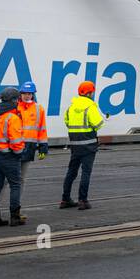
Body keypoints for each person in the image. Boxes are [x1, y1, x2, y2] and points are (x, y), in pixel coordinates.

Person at [61, 80, 104, 210]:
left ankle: (65, 199)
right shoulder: (91, 107)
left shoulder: (71, 107)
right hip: (89, 145)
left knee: (71, 172)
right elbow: (98, 124)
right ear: (90, 93)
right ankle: (82, 200)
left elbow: (67, 122)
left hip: (75, 145)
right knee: (86, 172)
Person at [0, 87, 26, 227]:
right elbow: (16, 141)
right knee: (16, 185)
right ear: (14, 101)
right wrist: (19, 153)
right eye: (18, 99)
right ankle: (15, 217)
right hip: (9, 157)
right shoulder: (12, 118)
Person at [16, 80, 48, 199]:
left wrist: (43, 147)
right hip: (15, 147)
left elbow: (42, 129)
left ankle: (16, 205)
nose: (27, 95)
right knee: (10, 178)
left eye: (29, 93)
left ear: (33, 94)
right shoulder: (14, 107)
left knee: (22, 179)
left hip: (29, 147)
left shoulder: (39, 109)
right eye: (25, 93)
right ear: (21, 94)